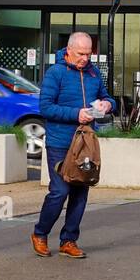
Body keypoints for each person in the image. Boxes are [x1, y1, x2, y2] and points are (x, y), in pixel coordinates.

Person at [31, 32, 115, 259]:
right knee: (59, 191)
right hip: (60, 143)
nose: (85, 59)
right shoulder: (55, 73)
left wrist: (107, 104)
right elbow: (45, 108)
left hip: (85, 143)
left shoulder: (93, 72)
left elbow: (108, 97)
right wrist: (76, 114)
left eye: (89, 54)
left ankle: (69, 240)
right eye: (81, 54)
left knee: (80, 192)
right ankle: (40, 233)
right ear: (68, 50)